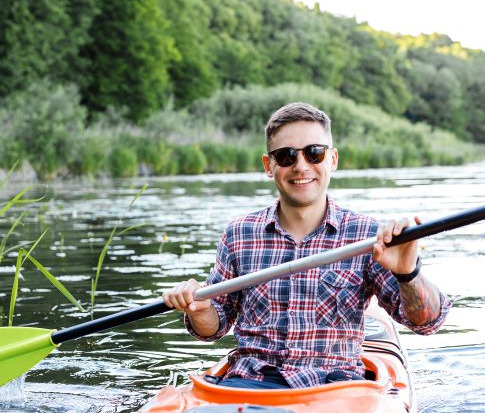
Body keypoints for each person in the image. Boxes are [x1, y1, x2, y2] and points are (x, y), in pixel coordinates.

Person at [162, 102, 450, 389]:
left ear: (332, 159)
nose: (301, 166)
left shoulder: (367, 236)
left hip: (337, 388)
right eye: (286, 156)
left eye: (314, 153)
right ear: (269, 165)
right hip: (251, 384)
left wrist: (407, 273)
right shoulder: (239, 234)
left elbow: (427, 323)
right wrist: (199, 309)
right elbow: (213, 328)